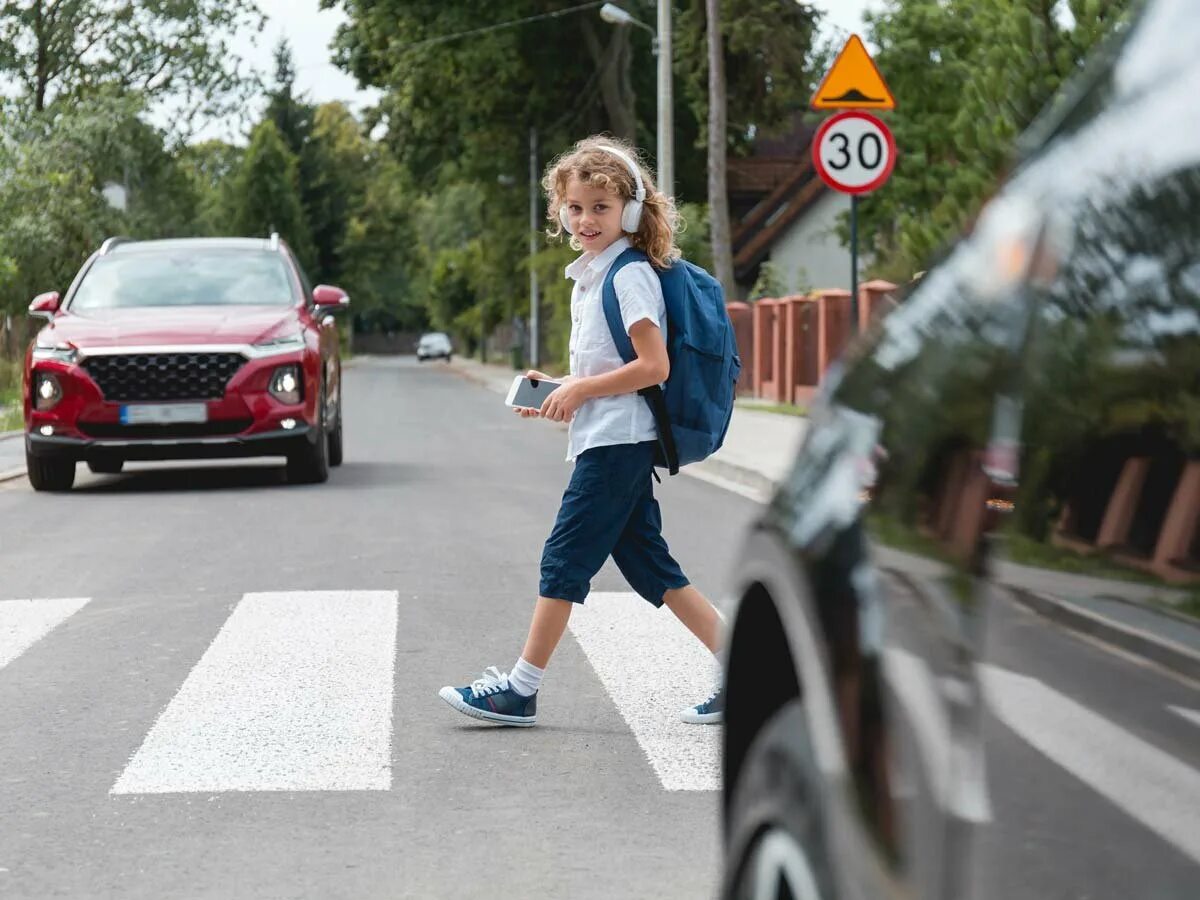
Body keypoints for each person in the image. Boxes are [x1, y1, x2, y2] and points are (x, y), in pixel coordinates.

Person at [438, 136, 725, 728]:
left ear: (628, 210)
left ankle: (520, 689)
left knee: (563, 559)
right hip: (609, 434)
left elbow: (654, 367)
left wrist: (581, 391)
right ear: (559, 210)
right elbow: (609, 364)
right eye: (575, 206)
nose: (586, 218)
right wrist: (562, 384)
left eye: (600, 206)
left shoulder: (628, 275)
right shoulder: (594, 276)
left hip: (619, 442)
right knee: (653, 568)